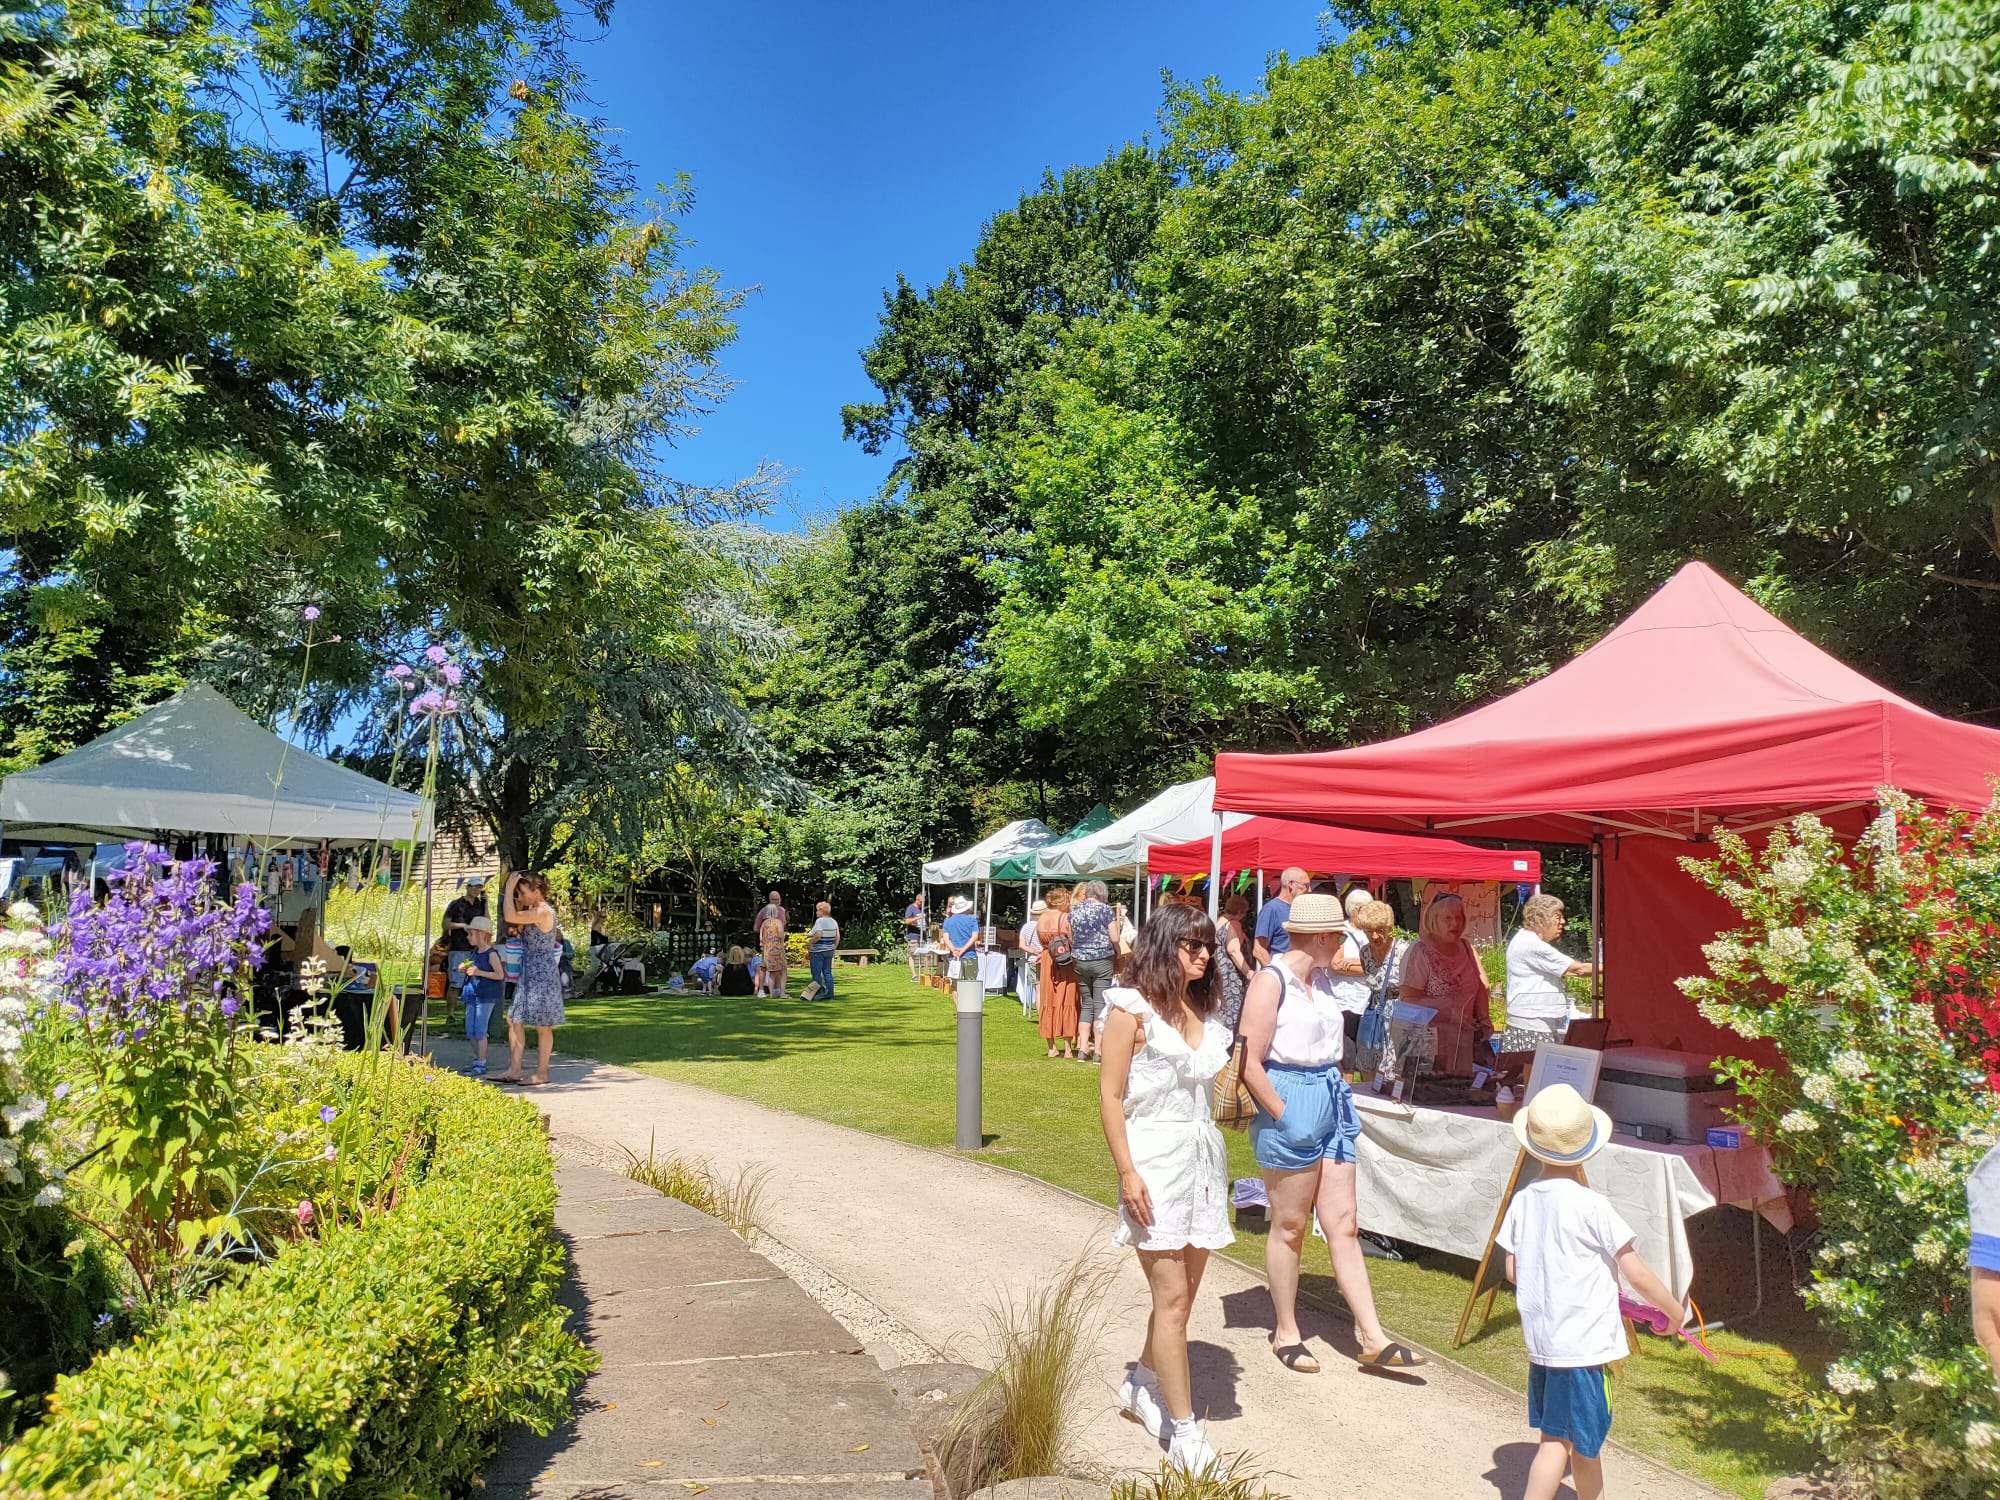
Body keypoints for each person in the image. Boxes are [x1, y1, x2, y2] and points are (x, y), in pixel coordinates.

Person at [1239, 892, 1420, 1374]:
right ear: (1320, 937)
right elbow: (1248, 1062)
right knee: (1290, 1225)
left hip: (1330, 1094)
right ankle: (1286, 1331)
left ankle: (1373, 1336)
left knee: (1344, 1223)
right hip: (1290, 1094)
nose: (1344, 942)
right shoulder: (1270, 982)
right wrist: (1285, 1114)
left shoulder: (1320, 980)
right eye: (1339, 934)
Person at [1098, 902, 1233, 1473]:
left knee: (1182, 1297)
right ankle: (1185, 1432)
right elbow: (1110, 1097)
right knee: (1173, 1299)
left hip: (1202, 1161)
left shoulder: (1201, 1007)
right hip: (1153, 1160)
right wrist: (1127, 1171)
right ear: (1164, 945)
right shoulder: (1130, 1009)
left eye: (1208, 947)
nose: (1203, 955)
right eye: (1192, 945)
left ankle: (1142, 1382)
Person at [1500, 1084, 1683, 1500]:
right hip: (1582, 1351)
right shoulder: (1593, 1206)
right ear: (1587, 1148)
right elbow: (1637, 1274)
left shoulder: (1523, 1201)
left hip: (1545, 1347)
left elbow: (1513, 1271)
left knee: (1578, 1442)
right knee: (1558, 1445)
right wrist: (1674, 1311)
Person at [1401, 892, 1492, 1076]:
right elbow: (1407, 1000)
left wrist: (1484, 1019)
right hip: (1430, 1045)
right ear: (1434, 920)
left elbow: (1482, 987)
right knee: (1434, 1090)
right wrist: (1448, 1007)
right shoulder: (1420, 951)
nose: (1455, 924)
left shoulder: (1467, 947)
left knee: (1462, 1088)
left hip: (1464, 1043)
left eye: (1459, 918)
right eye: (1448, 918)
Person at [492, 871, 563, 1087]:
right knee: (514, 1019)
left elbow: (510, 917)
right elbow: (515, 918)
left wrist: (508, 890)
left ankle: (542, 1073)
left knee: (543, 1024)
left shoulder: (542, 912)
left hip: (542, 973)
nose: (520, 897)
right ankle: (514, 1070)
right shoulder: (533, 911)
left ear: (537, 891)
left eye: (522, 893)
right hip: (529, 970)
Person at [1506, 894, 1598, 1040]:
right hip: (1533, 1026)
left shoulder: (1522, 938)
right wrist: (1615, 967)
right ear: (1540, 920)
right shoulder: (1533, 945)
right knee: (1536, 1057)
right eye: (1558, 917)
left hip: (1529, 1022)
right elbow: (1578, 970)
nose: (1563, 922)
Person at [1068, 881, 1119, 1063]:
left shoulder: (1074, 910)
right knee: (1100, 1004)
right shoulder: (1106, 910)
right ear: (1102, 894)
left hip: (1080, 960)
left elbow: (1071, 937)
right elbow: (1115, 937)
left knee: (1087, 1003)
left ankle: (1082, 1048)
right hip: (1102, 959)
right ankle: (1098, 1050)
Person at [456, 915, 506, 1077]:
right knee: (470, 1029)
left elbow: (499, 975)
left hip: (485, 996)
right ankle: (477, 1058)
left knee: (480, 1030)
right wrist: (464, 967)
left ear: (482, 934)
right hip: (472, 994)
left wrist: (479, 972)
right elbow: (471, 965)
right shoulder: (475, 953)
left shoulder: (491, 954)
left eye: (471, 934)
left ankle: (481, 1062)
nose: (468, 937)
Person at [1037, 889, 1079, 1059]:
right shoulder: (1065, 918)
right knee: (1067, 999)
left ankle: (1051, 1047)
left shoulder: (1041, 919)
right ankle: (1068, 1048)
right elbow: (1072, 939)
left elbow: (1042, 942)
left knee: (1048, 1000)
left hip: (1047, 959)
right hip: (1065, 961)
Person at [441, 875, 489, 1013]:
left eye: (479, 887)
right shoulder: (456, 904)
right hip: (459, 947)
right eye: (473, 887)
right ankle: (450, 1013)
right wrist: (462, 926)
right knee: (456, 982)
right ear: (467, 887)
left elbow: (487, 922)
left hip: (476, 949)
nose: (476, 890)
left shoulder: (480, 905)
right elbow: (445, 924)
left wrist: (486, 904)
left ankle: (472, 1012)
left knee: (475, 981)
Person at [1252, 867, 1311, 966]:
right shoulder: (1271, 909)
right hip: (1282, 970)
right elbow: (1259, 949)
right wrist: (1276, 972)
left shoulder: (1302, 908)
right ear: (1291, 884)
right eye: (1306, 885)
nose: (1309, 890)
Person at [1213, 893, 1254, 1031]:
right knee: (1234, 1015)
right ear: (1240, 912)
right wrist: (1249, 972)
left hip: (1219, 974)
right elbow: (1233, 950)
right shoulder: (1233, 924)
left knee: (1222, 1012)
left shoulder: (1220, 921)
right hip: (1232, 978)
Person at [756, 890, 789, 999]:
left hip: (767, 948)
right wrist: (781, 943)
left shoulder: (764, 923)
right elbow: (781, 935)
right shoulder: (777, 921)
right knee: (782, 970)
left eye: (778, 899)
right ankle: (781, 992)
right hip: (777, 948)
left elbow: (761, 935)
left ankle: (772, 993)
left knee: (771, 972)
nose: (776, 901)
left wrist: (764, 944)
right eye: (774, 899)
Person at [941, 895, 981, 980]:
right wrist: (963, 949)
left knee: (954, 984)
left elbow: (946, 939)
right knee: (970, 984)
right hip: (969, 955)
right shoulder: (972, 921)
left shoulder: (948, 922)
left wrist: (954, 950)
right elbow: (975, 937)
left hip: (953, 956)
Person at [1016, 898, 1045, 1017]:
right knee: (1046, 991)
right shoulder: (1045, 926)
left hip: (1032, 960)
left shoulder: (1026, 927)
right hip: (1045, 959)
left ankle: (1040, 1017)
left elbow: (1021, 945)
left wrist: (1033, 951)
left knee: (1038, 990)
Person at [806, 901, 840, 1000]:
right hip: (829, 950)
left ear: (822, 911)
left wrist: (810, 943)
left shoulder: (820, 921)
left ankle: (819, 993)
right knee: (827, 972)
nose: (816, 912)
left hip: (818, 951)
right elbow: (837, 936)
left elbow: (818, 935)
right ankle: (830, 993)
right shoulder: (833, 921)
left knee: (816, 973)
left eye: (817, 910)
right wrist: (833, 947)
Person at [903, 893, 926, 979]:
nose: (922, 904)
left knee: (925, 954)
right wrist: (918, 918)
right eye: (921, 902)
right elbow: (907, 921)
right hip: (913, 936)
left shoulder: (920, 909)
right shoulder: (911, 908)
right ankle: (914, 975)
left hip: (921, 935)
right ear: (917, 900)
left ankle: (924, 974)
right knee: (913, 954)